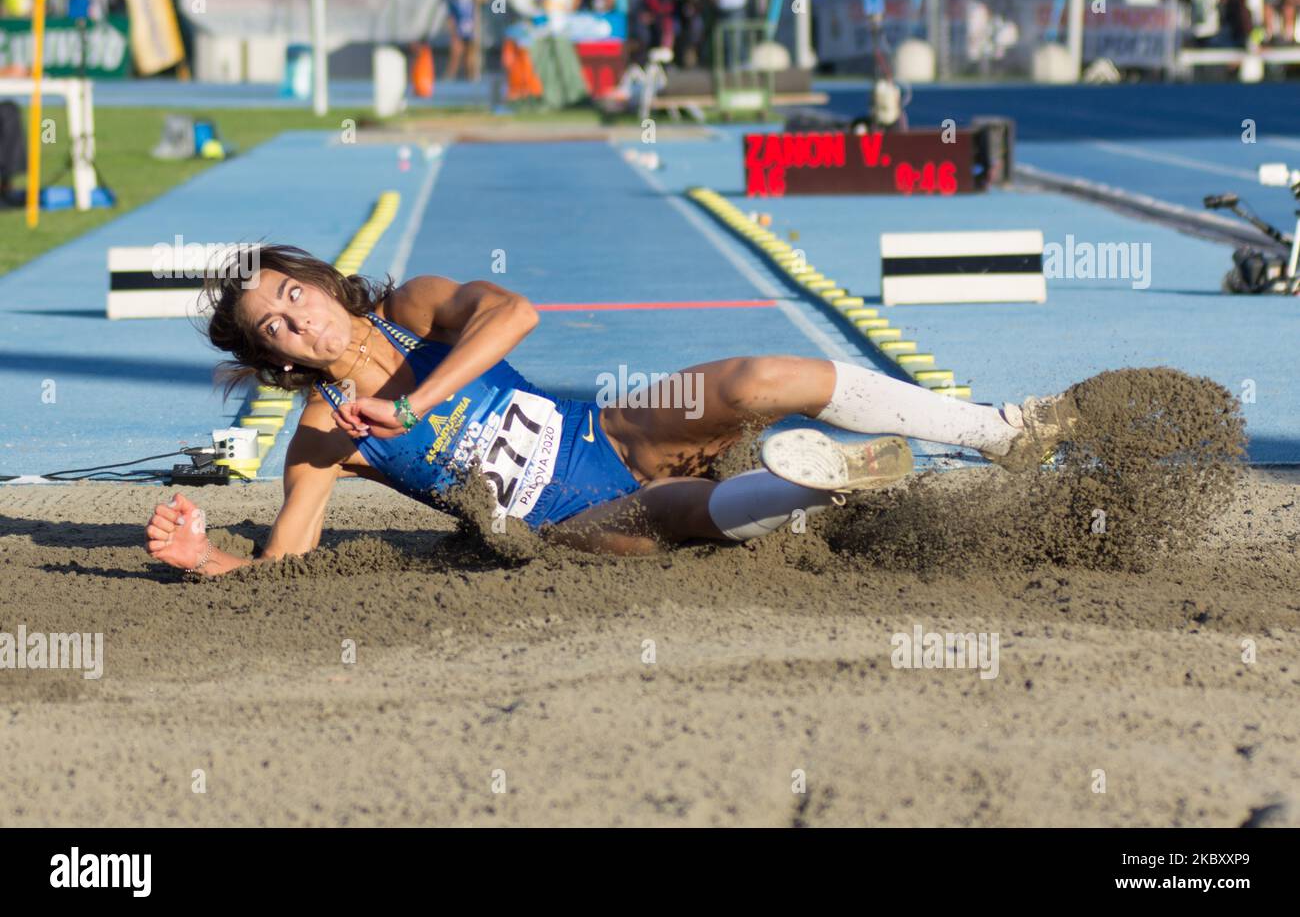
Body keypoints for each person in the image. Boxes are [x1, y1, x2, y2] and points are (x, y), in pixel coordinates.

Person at [144, 246, 1078, 575]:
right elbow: (286, 565)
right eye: (273, 327)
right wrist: (206, 558)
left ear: (317, 282)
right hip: (570, 523)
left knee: (751, 376)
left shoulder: (417, 305)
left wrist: (417, 399)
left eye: (291, 296)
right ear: (272, 357)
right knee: (672, 515)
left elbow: (516, 314)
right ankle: (810, 483)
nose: (295, 321)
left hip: (610, 432)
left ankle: (999, 433)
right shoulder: (321, 439)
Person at [444, 0, 484, 82]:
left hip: (471, 30)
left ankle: (471, 78)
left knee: (470, 56)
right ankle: (449, 78)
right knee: (456, 54)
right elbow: (451, 17)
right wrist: (453, 32)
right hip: (459, 29)